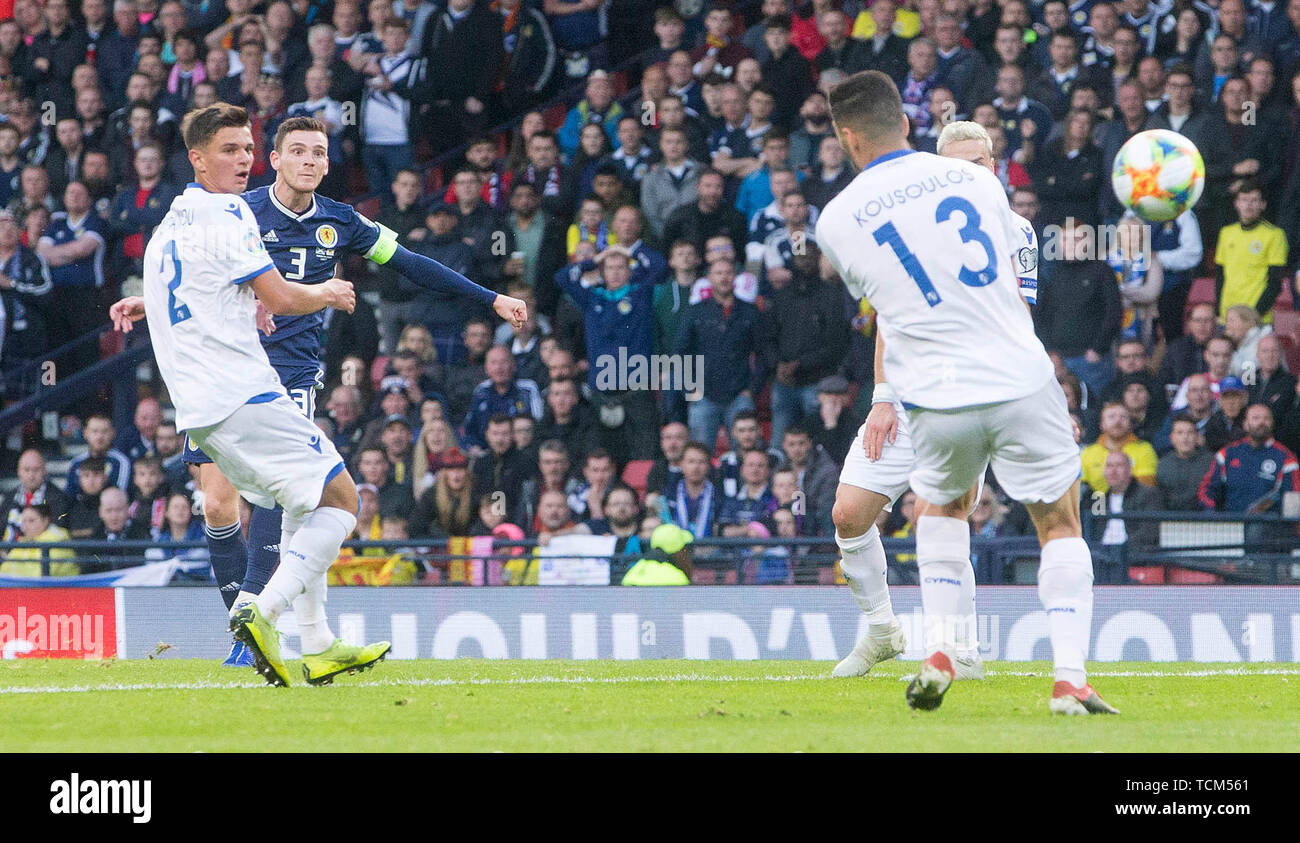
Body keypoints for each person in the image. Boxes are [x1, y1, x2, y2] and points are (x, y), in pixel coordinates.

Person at [114, 114, 525, 669]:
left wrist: (489, 298)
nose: (310, 161)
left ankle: (266, 637)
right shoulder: (241, 208)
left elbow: (410, 264)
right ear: (276, 161)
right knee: (220, 502)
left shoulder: (339, 221)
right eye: (298, 151)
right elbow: (223, 278)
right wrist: (158, 301)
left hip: (288, 374)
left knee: (281, 501)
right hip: (234, 369)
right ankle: (267, 626)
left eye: (320, 153)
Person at [818, 71, 1115, 714]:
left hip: (936, 392)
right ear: (906, 121)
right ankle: (1067, 679)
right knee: (1059, 522)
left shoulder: (837, 222)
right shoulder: (977, 185)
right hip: (1013, 377)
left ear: (845, 136)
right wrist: (881, 394)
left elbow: (893, 307)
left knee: (942, 510)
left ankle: (948, 646)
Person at [1157, 414, 1216, 511]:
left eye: (1190, 432)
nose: (1185, 437)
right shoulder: (1163, 464)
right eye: (1180, 433)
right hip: (1170, 521)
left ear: (1197, 436)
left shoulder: (1211, 462)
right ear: (1172, 438)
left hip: (1203, 520)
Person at [0, 503, 77, 578]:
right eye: (23, 521)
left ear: (45, 521)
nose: (24, 527)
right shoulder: (24, 542)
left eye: (31, 521)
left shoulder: (57, 542)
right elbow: (4, 572)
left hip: (62, 589)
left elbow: (38, 577)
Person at [621, 522, 694, 585]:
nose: (688, 554)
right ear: (678, 551)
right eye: (686, 549)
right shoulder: (677, 579)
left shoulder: (632, 572)